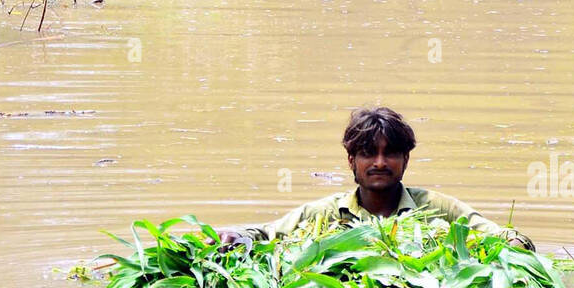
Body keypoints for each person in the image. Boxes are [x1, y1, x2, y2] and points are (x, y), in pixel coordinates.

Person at [220, 106, 534, 249]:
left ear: (405, 160)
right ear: (352, 161)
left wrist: (516, 243)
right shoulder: (324, 215)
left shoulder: (440, 211)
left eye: (391, 154)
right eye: (369, 153)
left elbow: (501, 235)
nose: (380, 163)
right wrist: (236, 236)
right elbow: (266, 233)